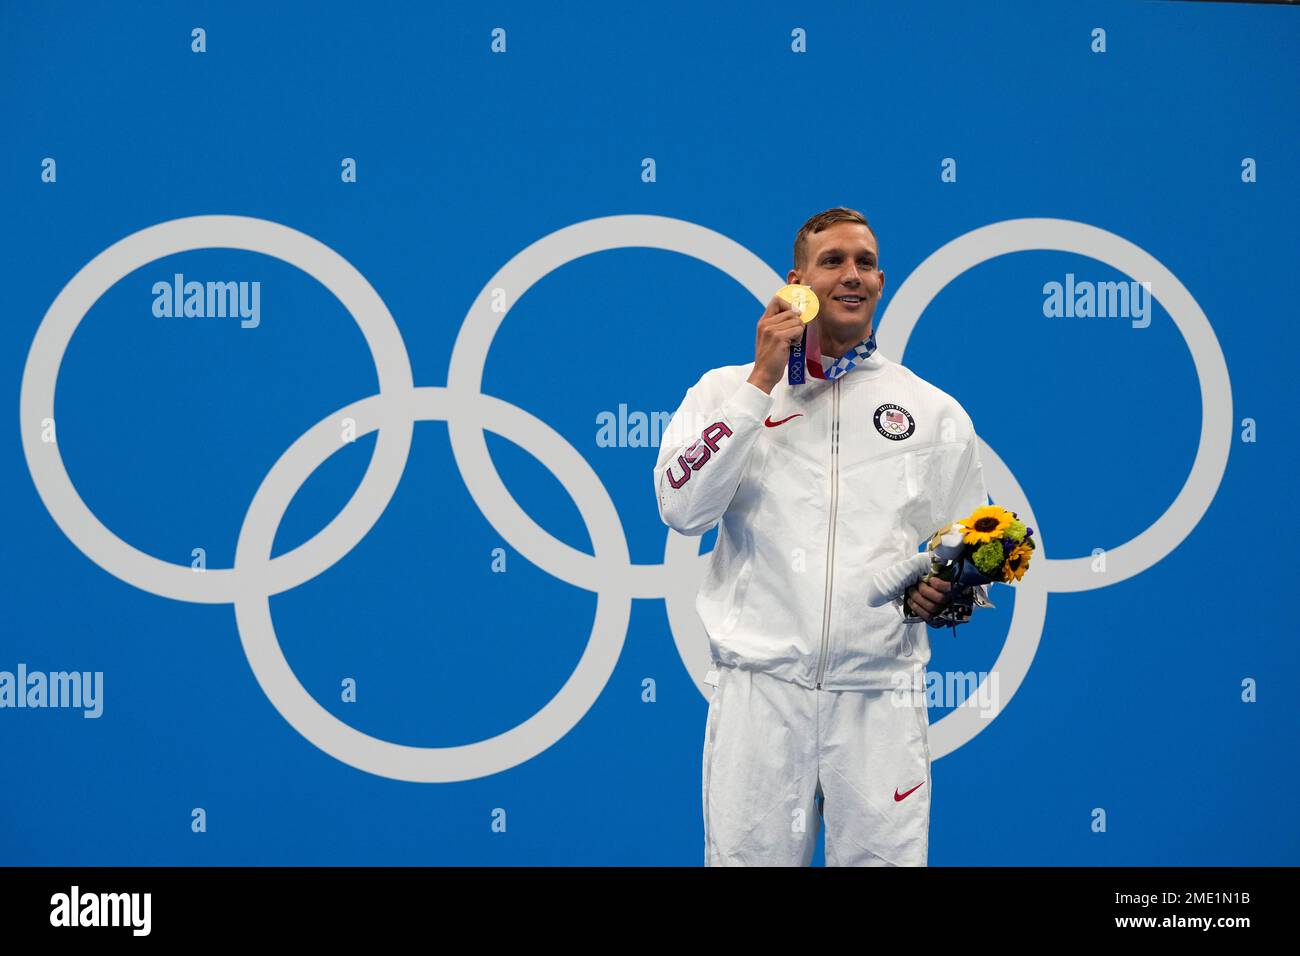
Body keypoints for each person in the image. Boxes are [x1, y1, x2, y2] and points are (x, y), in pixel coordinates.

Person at [653, 207, 989, 866]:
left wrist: (948, 594)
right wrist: (759, 385)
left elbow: (970, 550)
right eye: (832, 261)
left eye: (864, 263)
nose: (851, 275)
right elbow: (680, 507)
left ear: (883, 281)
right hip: (761, 693)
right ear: (796, 280)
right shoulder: (726, 390)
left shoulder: (932, 412)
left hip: (880, 698)